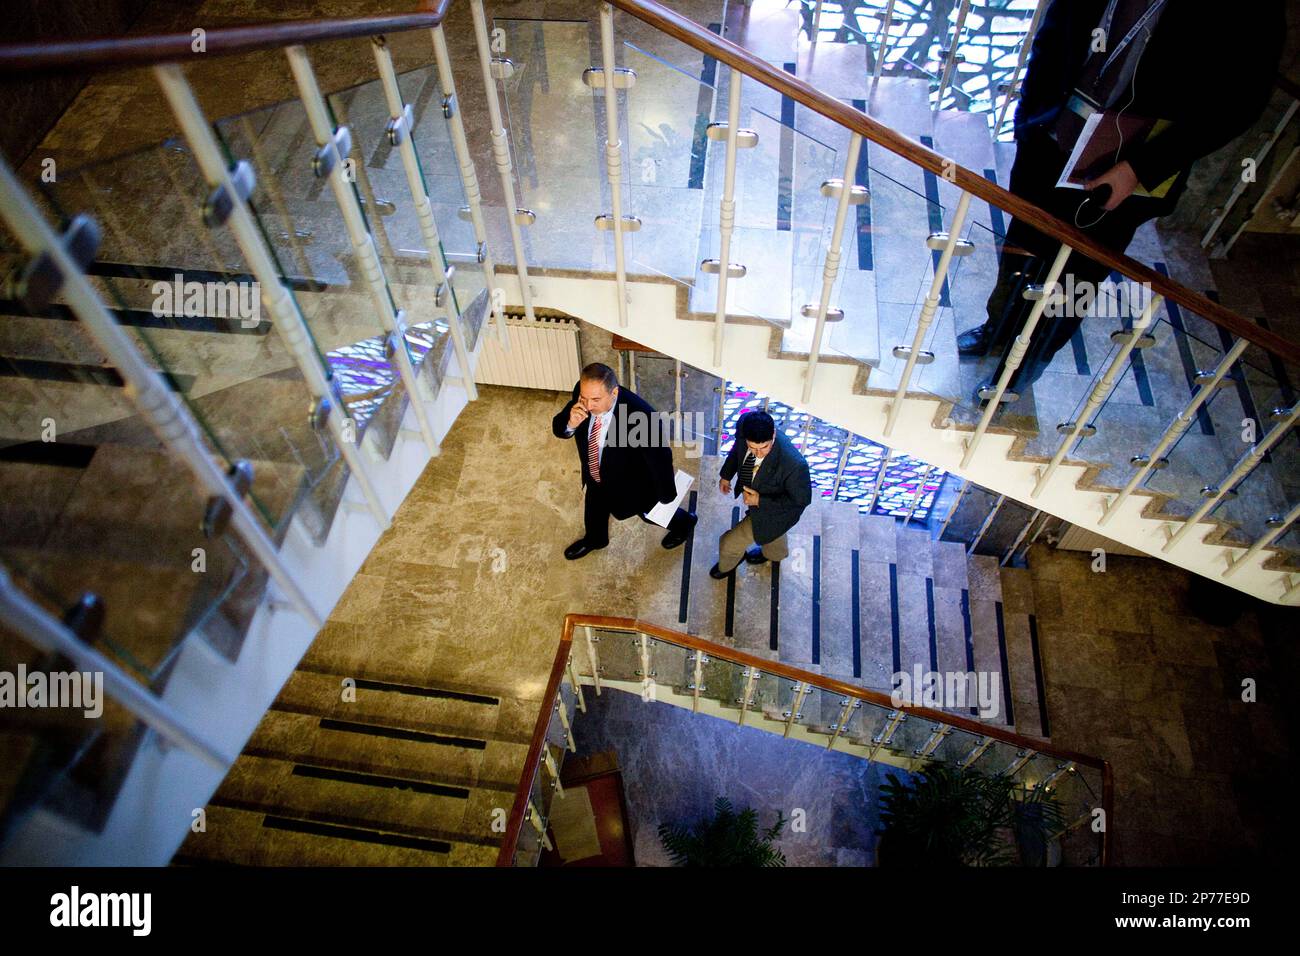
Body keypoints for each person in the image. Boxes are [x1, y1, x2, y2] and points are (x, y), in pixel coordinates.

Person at [957, 0, 1286, 402]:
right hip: (1049, 139)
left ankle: (1024, 365)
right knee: (1021, 246)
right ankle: (999, 329)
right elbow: (1055, 32)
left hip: (1125, 165)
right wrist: (1030, 117)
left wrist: (1140, 169)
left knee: (1077, 275)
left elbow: (1238, 104)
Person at [552, 362, 697, 560]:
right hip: (596, 475)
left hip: (632, 483)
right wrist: (570, 423)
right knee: (594, 508)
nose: (588, 405)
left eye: (595, 399)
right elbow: (559, 427)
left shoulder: (642, 417)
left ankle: (684, 523)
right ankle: (595, 539)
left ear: (614, 394)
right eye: (584, 398)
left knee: (650, 514)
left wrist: (666, 497)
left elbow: (660, 459)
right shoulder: (582, 393)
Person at [709, 410, 812, 579]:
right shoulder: (745, 426)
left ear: (773, 434)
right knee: (774, 536)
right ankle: (774, 555)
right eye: (752, 447)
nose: (758, 453)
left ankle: (727, 565)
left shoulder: (794, 465)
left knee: (729, 543)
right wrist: (726, 475)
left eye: (764, 447)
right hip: (766, 508)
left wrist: (759, 500)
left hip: (774, 512)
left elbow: (800, 501)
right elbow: (737, 451)